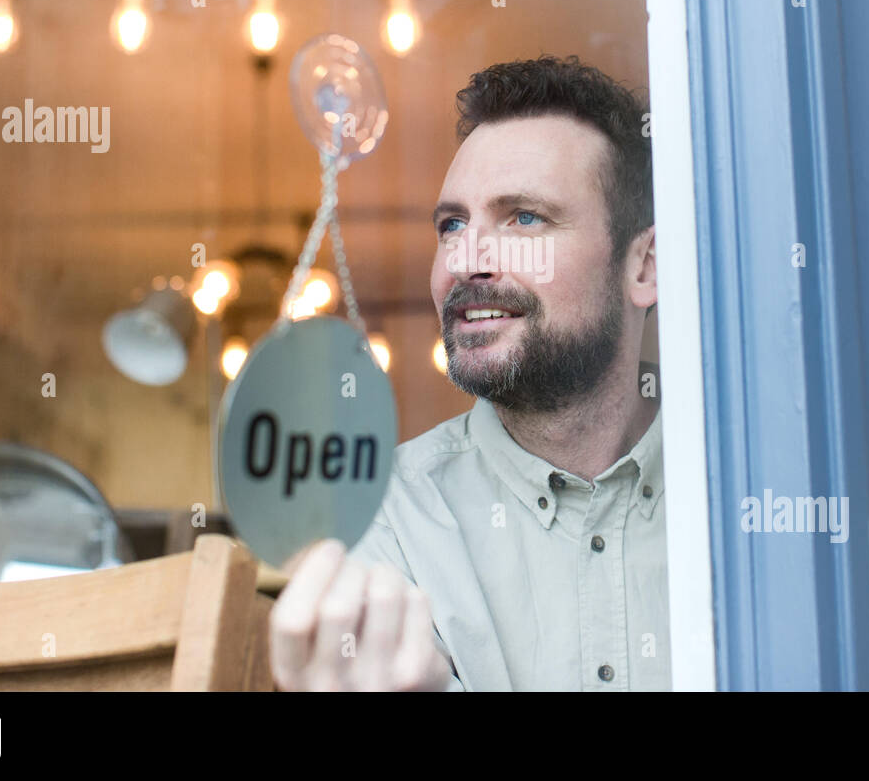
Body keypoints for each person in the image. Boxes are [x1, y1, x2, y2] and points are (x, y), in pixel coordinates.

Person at [268, 55, 666, 691]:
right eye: (453, 225)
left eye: (524, 218)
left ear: (644, 267)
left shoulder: (744, 492)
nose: (466, 261)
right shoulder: (381, 521)